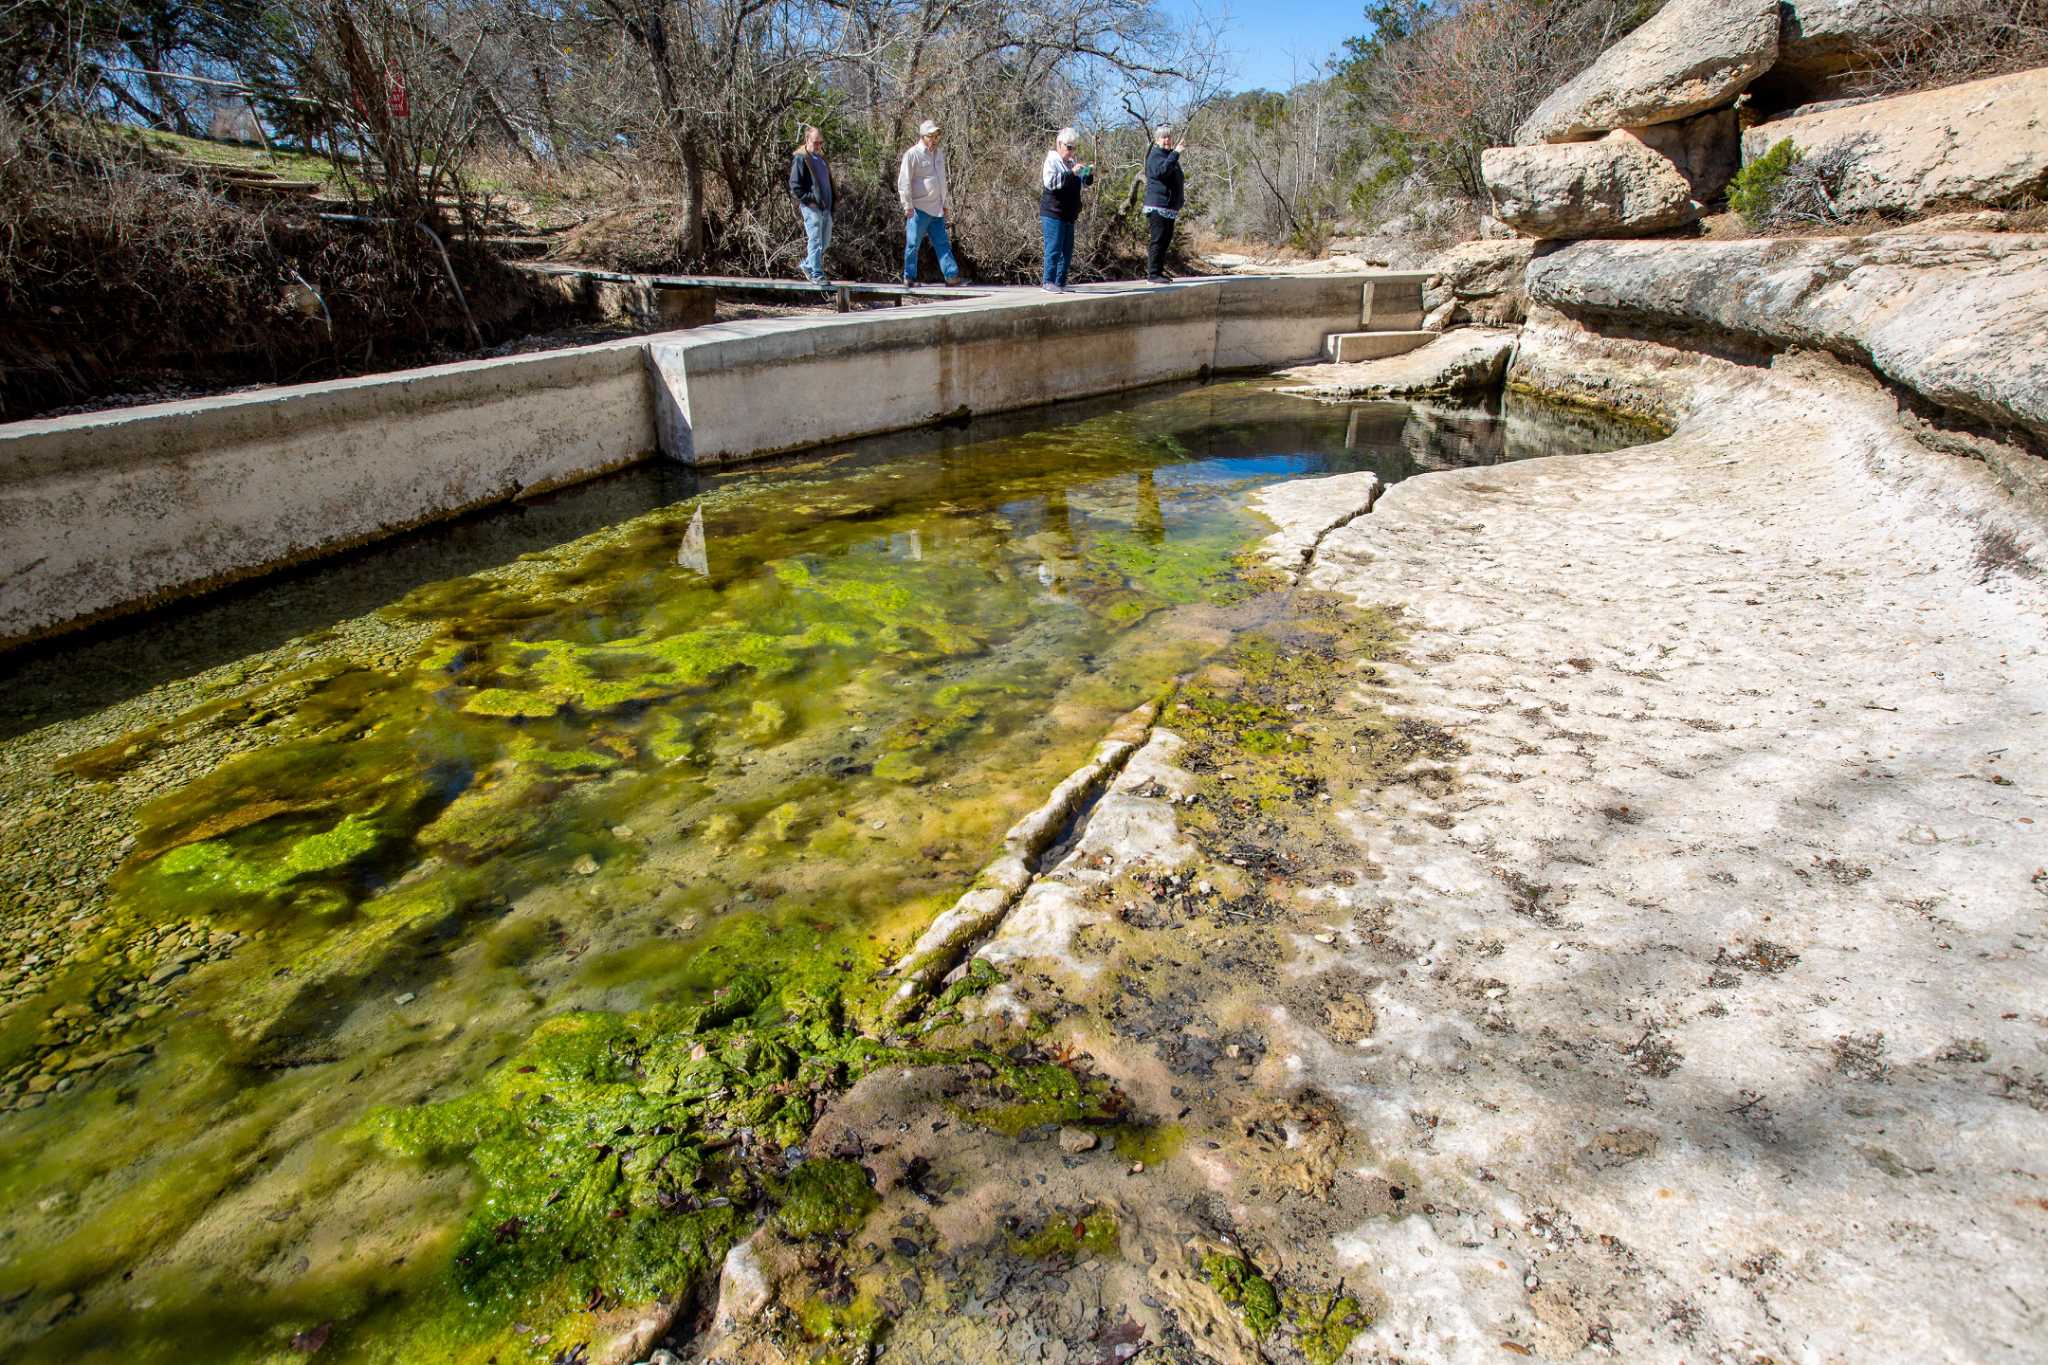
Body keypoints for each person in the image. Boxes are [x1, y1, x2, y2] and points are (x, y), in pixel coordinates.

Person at [897, 119, 962, 287]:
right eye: (931, 135)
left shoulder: (939, 154)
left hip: (937, 208)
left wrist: (945, 203)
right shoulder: (912, 154)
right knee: (913, 244)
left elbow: (942, 180)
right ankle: (909, 277)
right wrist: (907, 205)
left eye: (936, 135)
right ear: (923, 136)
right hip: (918, 208)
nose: (935, 139)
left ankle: (951, 275)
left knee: (942, 243)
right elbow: (904, 181)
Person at [1038, 127, 1093, 293]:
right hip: (1053, 212)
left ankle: (1060, 283)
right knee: (1053, 248)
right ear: (1059, 144)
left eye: (1074, 147)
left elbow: (1086, 182)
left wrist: (1088, 172)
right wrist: (1072, 174)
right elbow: (1051, 183)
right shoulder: (1052, 161)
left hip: (1069, 215)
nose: (1071, 151)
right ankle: (1048, 282)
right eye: (1069, 147)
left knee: (1066, 251)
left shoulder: (1072, 163)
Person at [788, 125, 834, 287]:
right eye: (815, 142)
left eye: (821, 142)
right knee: (815, 240)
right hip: (812, 207)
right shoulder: (801, 158)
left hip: (826, 208)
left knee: (825, 241)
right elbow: (794, 185)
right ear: (807, 140)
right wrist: (809, 199)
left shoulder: (821, 160)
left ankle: (807, 265)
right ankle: (816, 274)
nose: (818, 146)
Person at [1143, 123, 1184, 285]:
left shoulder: (1167, 155)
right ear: (1157, 139)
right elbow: (1162, 172)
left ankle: (1158, 272)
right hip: (1158, 206)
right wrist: (1175, 154)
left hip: (1169, 207)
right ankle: (1153, 274)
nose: (1167, 140)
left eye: (1169, 136)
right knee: (1158, 240)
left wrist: (1179, 200)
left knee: (1165, 240)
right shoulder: (1155, 155)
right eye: (1164, 137)